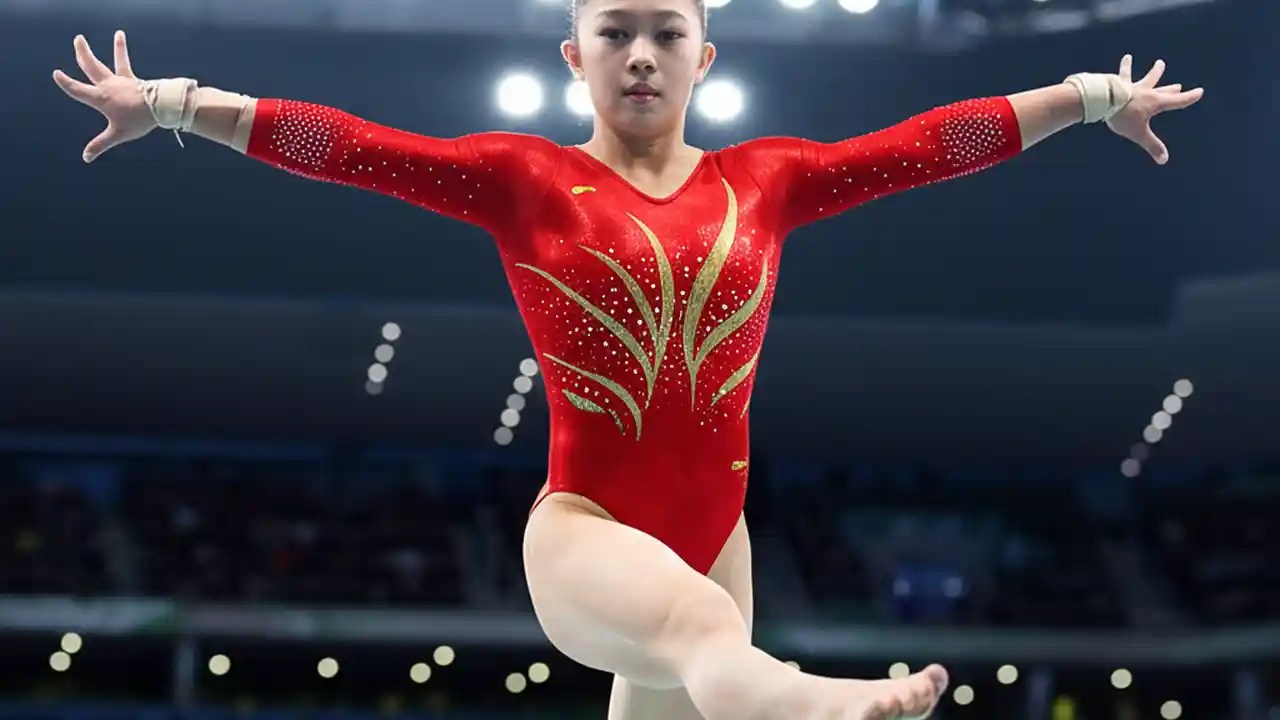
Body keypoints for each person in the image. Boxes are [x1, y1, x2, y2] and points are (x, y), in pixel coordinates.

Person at [51, 1, 1203, 717]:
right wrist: (172, 102)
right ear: (573, 54)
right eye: (615, 32)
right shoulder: (522, 180)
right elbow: (354, 148)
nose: (641, 55)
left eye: (666, 33)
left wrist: (1090, 96)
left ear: (707, 53)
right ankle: (820, 705)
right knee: (707, 638)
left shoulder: (770, 179)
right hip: (586, 532)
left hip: (721, 530)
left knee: (692, 660)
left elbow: (923, 148)